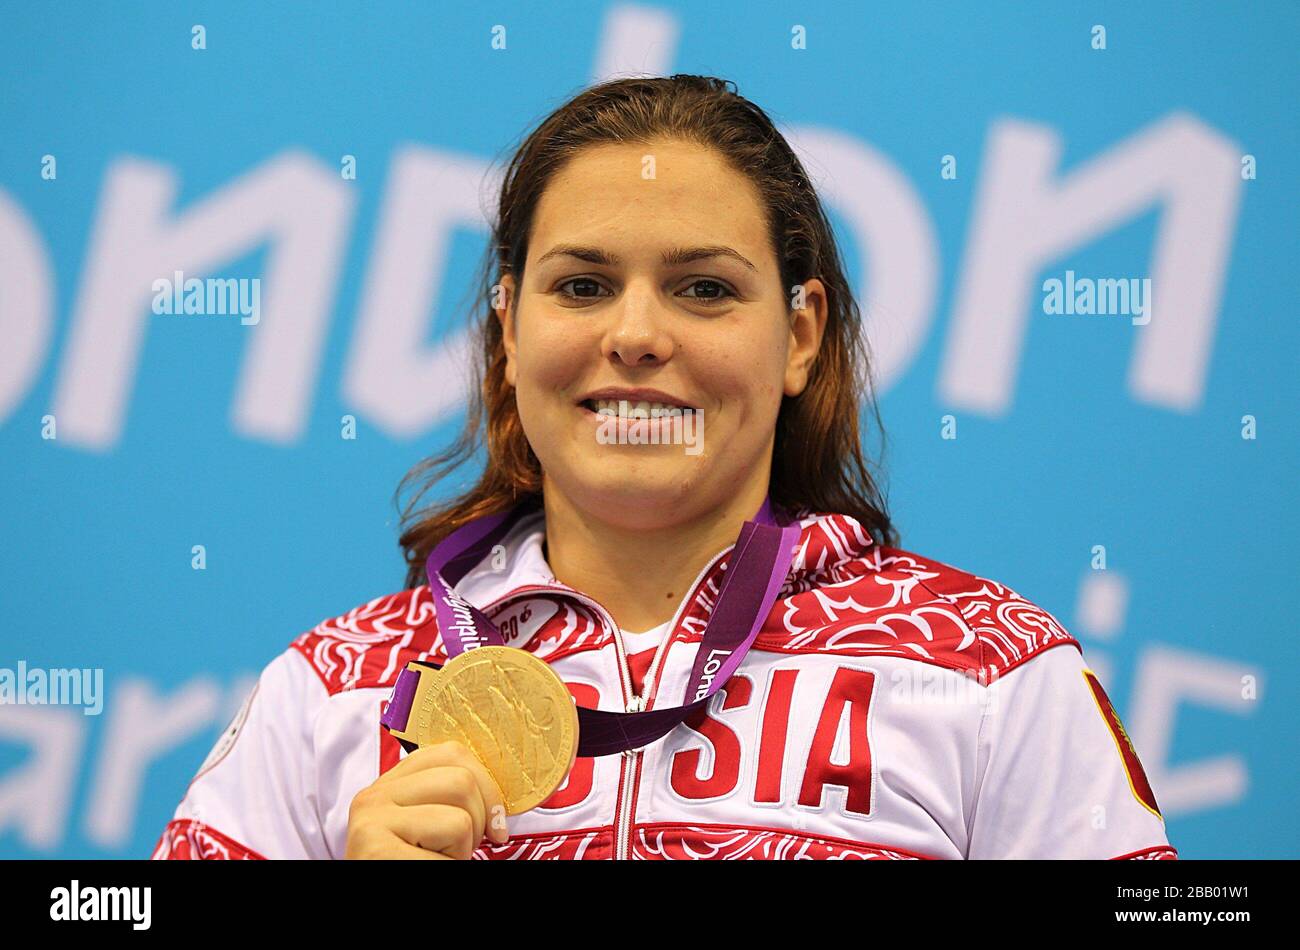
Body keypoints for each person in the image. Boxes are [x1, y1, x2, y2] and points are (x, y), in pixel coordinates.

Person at [152, 75, 1176, 861]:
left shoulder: (988, 668)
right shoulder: (330, 690)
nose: (636, 335)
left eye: (701, 287)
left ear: (800, 334)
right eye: (584, 283)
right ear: (508, 330)